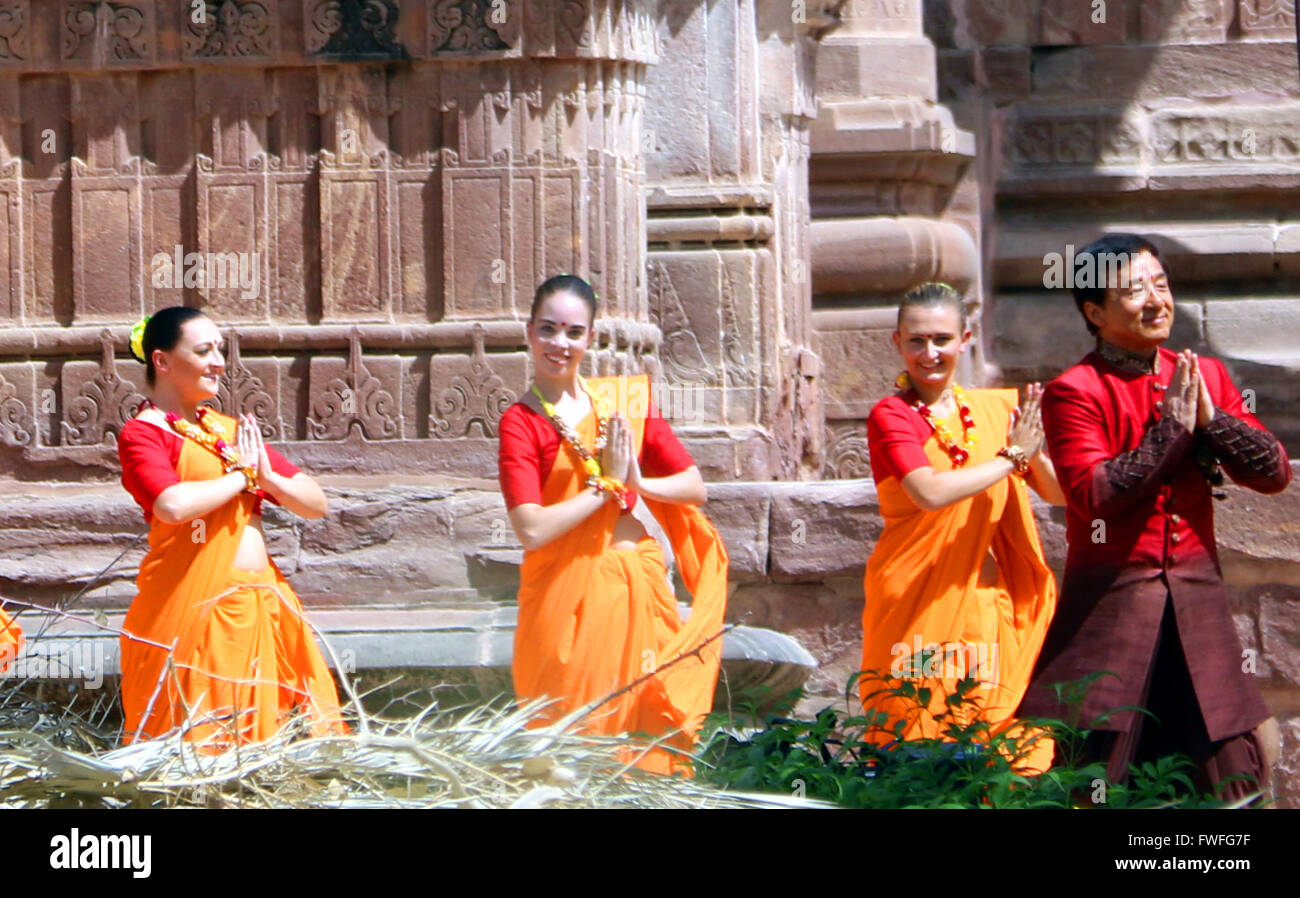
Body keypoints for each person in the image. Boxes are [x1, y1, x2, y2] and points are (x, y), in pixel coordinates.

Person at [1018, 233, 1290, 803]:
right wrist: (1172, 430)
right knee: (1097, 782)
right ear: (1094, 312)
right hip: (1116, 612)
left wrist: (1212, 420)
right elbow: (1094, 495)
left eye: (1161, 284)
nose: (1156, 300)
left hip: (1198, 609)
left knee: (1233, 778)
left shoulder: (1204, 376)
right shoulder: (1075, 391)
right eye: (1135, 290)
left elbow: (1274, 474)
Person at [498, 274, 728, 775]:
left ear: (591, 338)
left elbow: (694, 486)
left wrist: (638, 481)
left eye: (574, 332)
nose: (561, 344)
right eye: (549, 329)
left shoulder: (622, 406)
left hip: (634, 589)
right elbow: (531, 529)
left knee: (641, 747)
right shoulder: (521, 421)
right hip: (563, 598)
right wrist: (604, 487)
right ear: (529, 332)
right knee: (565, 756)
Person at [118, 306, 346, 747]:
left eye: (219, 349)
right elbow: (172, 505)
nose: (219, 362)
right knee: (206, 747)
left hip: (260, 603)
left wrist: (268, 478)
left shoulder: (227, 433)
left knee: (272, 749)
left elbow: (316, 504)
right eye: (203, 351)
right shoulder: (143, 434)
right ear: (162, 362)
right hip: (197, 612)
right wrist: (242, 476)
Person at [860, 283, 1063, 767]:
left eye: (941, 340)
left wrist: (1033, 451)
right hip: (915, 604)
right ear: (897, 343)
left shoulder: (996, 412)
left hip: (985, 606)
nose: (929, 354)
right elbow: (928, 493)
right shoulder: (893, 415)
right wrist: (1012, 456)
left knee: (1000, 744)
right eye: (916, 341)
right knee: (917, 736)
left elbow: (1057, 495)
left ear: (965, 339)